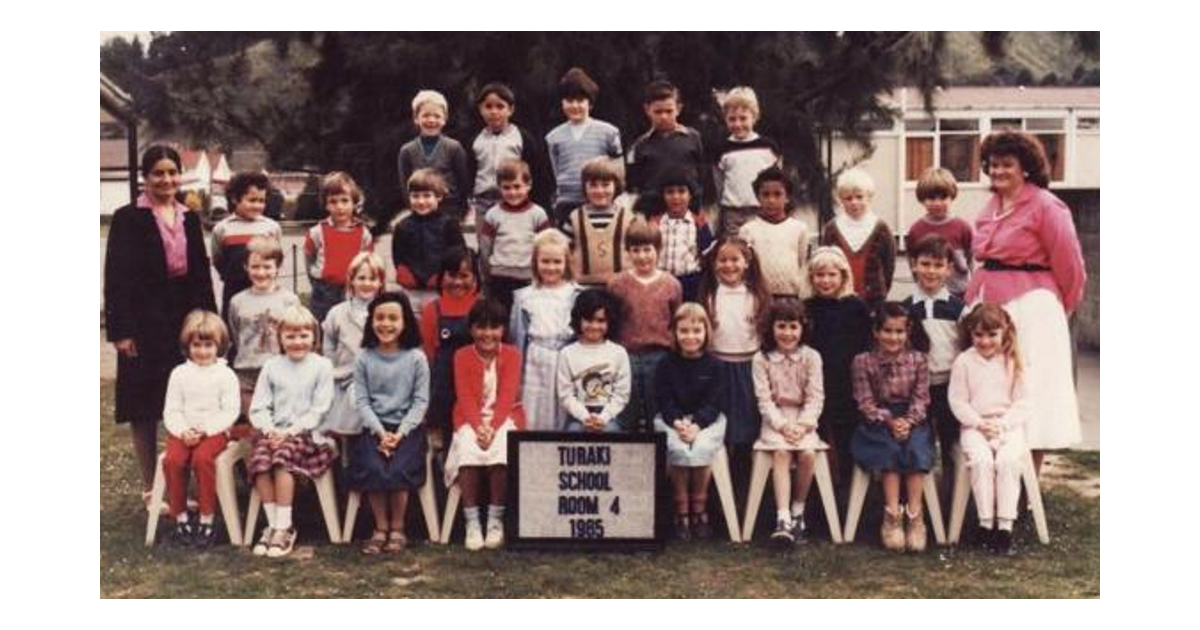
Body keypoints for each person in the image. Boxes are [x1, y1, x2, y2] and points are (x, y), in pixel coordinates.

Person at [965, 130, 1086, 474]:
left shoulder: (1047, 206)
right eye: (993, 164)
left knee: (1032, 389)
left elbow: (1071, 266)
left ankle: (1026, 481)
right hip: (990, 300)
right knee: (992, 388)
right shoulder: (992, 206)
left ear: (1026, 168)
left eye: (1007, 164)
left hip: (1032, 308)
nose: (998, 171)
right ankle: (992, 476)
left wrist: (1057, 309)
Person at [105, 145, 217, 509]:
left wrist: (208, 321)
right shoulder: (128, 218)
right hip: (142, 321)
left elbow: (200, 274)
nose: (166, 180)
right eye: (158, 173)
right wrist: (121, 331)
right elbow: (116, 277)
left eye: (172, 172)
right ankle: (151, 489)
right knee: (144, 406)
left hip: (182, 318)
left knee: (184, 399)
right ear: (145, 177)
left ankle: (181, 484)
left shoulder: (189, 217)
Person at [247, 306, 336, 558]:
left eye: (303, 335)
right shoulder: (272, 366)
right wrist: (270, 430)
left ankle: (285, 527)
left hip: (308, 434)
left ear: (314, 337)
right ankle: (273, 525)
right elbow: (259, 406)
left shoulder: (322, 366)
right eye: (290, 336)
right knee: (260, 461)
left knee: (280, 461)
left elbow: (320, 409)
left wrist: (290, 432)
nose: (297, 342)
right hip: (275, 432)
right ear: (280, 338)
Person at [349, 292, 430, 555]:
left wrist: (400, 434)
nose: (386, 324)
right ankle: (380, 527)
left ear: (405, 322)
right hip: (375, 427)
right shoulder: (364, 358)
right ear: (371, 321)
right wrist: (381, 433)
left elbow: (420, 402)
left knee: (397, 469)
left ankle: (398, 527)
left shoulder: (416, 358)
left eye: (393, 318)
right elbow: (362, 401)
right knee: (374, 467)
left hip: (408, 429)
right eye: (380, 317)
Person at [850, 302, 934, 552]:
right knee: (889, 449)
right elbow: (865, 402)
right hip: (876, 422)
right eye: (887, 330)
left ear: (908, 332)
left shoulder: (918, 360)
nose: (893, 337)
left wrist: (908, 421)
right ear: (876, 332)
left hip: (912, 419)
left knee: (916, 448)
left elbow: (921, 399)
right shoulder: (863, 361)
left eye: (899, 332)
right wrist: (888, 420)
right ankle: (892, 516)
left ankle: (915, 516)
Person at [949, 304, 1029, 556]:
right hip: (975, 426)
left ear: (1004, 332)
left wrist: (1002, 425)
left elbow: (1023, 403)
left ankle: (1004, 526)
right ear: (971, 333)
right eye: (978, 335)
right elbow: (958, 401)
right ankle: (985, 523)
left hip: (1008, 426)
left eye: (992, 335)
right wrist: (978, 423)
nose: (985, 341)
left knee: (1007, 462)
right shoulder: (964, 361)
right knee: (981, 461)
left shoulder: (1013, 361)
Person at [444, 300, 526, 550]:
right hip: (470, 417)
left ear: (503, 329)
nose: (487, 334)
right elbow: (465, 396)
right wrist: (479, 427)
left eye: (494, 327)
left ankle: (495, 519)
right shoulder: (461, 356)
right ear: (471, 329)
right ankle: (471, 521)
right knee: (468, 448)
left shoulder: (512, 354)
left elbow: (508, 395)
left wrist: (493, 427)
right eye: (481, 327)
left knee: (502, 448)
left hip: (505, 416)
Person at [697, 237, 771, 504]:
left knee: (747, 427)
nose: (729, 265)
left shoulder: (757, 296)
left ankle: (744, 484)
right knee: (720, 426)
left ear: (747, 262)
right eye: (722, 260)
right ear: (714, 263)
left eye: (734, 259)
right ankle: (716, 486)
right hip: (718, 367)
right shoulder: (709, 295)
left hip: (748, 368)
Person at [161, 310, 240, 548]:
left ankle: (207, 517)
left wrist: (206, 430)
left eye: (208, 345)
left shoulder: (226, 375)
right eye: (197, 345)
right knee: (173, 461)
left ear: (219, 346)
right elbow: (172, 409)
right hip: (183, 431)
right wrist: (183, 431)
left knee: (203, 459)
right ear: (188, 345)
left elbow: (230, 411)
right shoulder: (179, 374)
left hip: (213, 432)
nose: (202, 351)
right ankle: (180, 516)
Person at [751, 300, 824, 546]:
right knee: (781, 452)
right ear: (771, 328)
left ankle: (798, 512)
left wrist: (802, 425)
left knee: (807, 453)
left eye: (793, 327)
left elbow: (815, 397)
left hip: (804, 419)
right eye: (781, 326)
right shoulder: (761, 358)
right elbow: (764, 400)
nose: (787, 333)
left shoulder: (812, 357)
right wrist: (782, 426)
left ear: (802, 328)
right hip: (775, 419)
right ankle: (782, 519)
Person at [654, 303, 727, 540]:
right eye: (684, 331)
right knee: (678, 448)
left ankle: (699, 507)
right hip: (673, 420)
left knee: (702, 448)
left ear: (706, 332)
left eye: (697, 331)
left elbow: (714, 402)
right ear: (674, 332)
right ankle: (681, 508)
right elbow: (664, 400)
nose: (690, 337)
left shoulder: (715, 365)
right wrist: (678, 423)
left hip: (706, 421)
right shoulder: (665, 364)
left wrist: (696, 425)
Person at [901, 234, 967, 493]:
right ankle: (915, 495)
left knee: (951, 441)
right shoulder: (905, 309)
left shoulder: (959, 309)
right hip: (916, 389)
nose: (931, 271)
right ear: (914, 265)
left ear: (948, 268)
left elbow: (966, 346)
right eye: (925, 264)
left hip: (950, 386)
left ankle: (950, 493)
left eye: (938, 265)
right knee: (919, 440)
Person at [803, 247, 873, 481]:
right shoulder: (807, 308)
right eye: (819, 275)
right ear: (811, 277)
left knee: (846, 432)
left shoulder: (856, 307)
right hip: (815, 381)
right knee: (819, 430)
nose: (825, 281)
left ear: (843, 276)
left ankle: (848, 479)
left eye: (832, 275)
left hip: (847, 379)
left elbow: (866, 345)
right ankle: (819, 481)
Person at [607, 221, 683, 432]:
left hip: (660, 355)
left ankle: (657, 448)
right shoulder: (617, 284)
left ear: (658, 250)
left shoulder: (671, 284)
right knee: (627, 409)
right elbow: (612, 322)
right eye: (636, 250)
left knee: (656, 409)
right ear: (628, 252)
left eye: (647, 249)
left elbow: (676, 322)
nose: (642, 256)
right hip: (626, 355)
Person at [510, 229, 581, 431]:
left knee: (563, 411)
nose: (551, 267)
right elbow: (516, 336)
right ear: (535, 262)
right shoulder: (524, 297)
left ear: (566, 262)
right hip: (535, 360)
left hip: (565, 359)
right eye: (545, 261)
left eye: (557, 262)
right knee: (533, 411)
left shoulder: (575, 294)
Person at [228, 236, 301, 421]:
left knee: (280, 423)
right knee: (255, 425)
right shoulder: (237, 301)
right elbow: (236, 334)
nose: (261, 272)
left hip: (280, 372)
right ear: (246, 267)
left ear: (278, 267)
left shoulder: (289, 300)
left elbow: (296, 334)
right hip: (247, 376)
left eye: (267, 267)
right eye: (255, 267)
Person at [419, 250, 481, 451]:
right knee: (446, 445)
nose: (457, 282)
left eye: (464, 276)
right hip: (444, 391)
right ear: (442, 276)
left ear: (475, 277)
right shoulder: (432, 310)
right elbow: (429, 353)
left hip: (476, 389)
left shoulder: (482, 308)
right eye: (452, 275)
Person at [545, 67, 623, 228]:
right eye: (569, 101)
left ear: (590, 103)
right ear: (562, 103)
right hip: (566, 203)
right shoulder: (553, 137)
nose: (575, 106)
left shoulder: (609, 132)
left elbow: (618, 170)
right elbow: (555, 170)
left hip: (600, 201)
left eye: (580, 101)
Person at [320, 252, 387, 437]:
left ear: (381, 282)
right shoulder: (337, 313)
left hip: (377, 382)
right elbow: (329, 345)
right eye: (361, 278)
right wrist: (333, 370)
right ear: (351, 280)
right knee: (343, 424)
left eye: (372, 279)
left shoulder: (386, 313)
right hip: (344, 379)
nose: (367, 283)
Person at [626, 79, 711, 217]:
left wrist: (701, 206)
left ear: (679, 109)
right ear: (647, 110)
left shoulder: (693, 138)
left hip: (689, 211)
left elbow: (702, 175)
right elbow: (636, 183)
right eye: (658, 112)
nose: (664, 116)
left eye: (669, 111)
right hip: (654, 213)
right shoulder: (641, 145)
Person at [392, 168, 468, 317]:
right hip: (412, 288)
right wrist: (404, 271)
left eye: (427, 196)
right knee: (412, 321)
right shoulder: (402, 226)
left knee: (438, 320)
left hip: (439, 287)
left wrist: (444, 274)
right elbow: (398, 255)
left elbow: (458, 253)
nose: (421, 201)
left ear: (439, 196)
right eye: (415, 196)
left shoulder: (449, 224)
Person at [478, 159, 551, 313]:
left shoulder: (538, 214)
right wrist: (487, 274)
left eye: (517, 186)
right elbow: (485, 247)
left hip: (528, 278)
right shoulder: (493, 214)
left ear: (528, 185)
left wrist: (542, 274)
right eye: (506, 187)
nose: (512, 192)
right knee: (501, 316)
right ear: (499, 187)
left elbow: (546, 248)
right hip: (500, 277)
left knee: (526, 316)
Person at [467, 82, 551, 215]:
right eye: (488, 107)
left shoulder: (522, 138)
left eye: (500, 106)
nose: (494, 112)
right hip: (483, 201)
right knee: (484, 229)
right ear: (480, 109)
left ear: (510, 110)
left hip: (514, 198)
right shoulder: (476, 140)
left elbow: (536, 171)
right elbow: (470, 172)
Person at [556, 288, 631, 433]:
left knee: (611, 431)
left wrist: (604, 417)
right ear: (578, 320)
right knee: (573, 431)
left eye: (601, 320)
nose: (594, 326)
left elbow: (622, 395)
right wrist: (585, 417)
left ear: (610, 322)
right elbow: (565, 395)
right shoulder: (567, 353)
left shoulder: (619, 353)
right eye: (589, 320)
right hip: (578, 416)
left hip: (610, 416)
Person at [210, 171, 282, 319]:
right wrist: (230, 275)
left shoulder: (271, 228)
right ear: (235, 198)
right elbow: (217, 259)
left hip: (264, 288)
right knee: (232, 324)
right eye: (252, 200)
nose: (257, 205)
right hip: (233, 289)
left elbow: (276, 258)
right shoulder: (222, 228)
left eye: (261, 201)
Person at [821, 168, 895, 313]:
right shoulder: (831, 229)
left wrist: (879, 292)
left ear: (869, 197)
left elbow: (888, 266)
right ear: (840, 200)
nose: (854, 202)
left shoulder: (882, 229)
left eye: (859, 197)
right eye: (848, 198)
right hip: (838, 301)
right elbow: (825, 264)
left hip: (873, 303)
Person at [303, 171, 373, 323]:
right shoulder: (317, 232)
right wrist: (317, 282)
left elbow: (368, 263)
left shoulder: (364, 233)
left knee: (351, 327)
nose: (339, 207)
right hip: (324, 292)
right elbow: (309, 259)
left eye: (345, 201)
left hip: (353, 290)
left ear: (354, 202)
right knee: (322, 327)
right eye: (333, 202)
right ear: (326, 204)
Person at [713, 86, 782, 238]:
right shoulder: (723, 149)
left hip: (762, 210)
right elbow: (719, 183)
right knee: (735, 248)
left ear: (754, 117)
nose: (738, 124)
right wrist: (721, 210)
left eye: (743, 118)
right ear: (725, 119)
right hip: (733, 213)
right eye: (732, 119)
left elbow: (778, 181)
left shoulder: (768, 147)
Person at [562, 157, 640, 288]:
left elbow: (639, 249)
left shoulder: (629, 219)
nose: (599, 190)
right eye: (593, 185)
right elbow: (562, 249)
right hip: (582, 286)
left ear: (616, 186)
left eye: (605, 185)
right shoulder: (574, 217)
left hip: (621, 286)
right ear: (584, 187)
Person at [738, 166, 810, 300]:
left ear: (787, 197)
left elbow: (802, 262)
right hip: (758, 297)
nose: (771, 200)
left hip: (790, 296)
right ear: (758, 197)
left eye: (777, 194)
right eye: (765, 195)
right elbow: (745, 267)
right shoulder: (748, 230)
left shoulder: (799, 229)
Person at [398, 89, 471, 221]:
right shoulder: (407, 151)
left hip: (450, 210)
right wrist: (413, 209)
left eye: (437, 116)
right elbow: (405, 186)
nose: (431, 120)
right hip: (420, 209)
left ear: (444, 119)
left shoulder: (454, 148)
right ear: (416, 118)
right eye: (426, 116)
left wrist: (461, 211)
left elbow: (463, 182)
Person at [647, 167, 714, 303]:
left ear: (691, 195)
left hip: (691, 282)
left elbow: (708, 254)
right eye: (670, 192)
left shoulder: (699, 222)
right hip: (661, 280)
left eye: (681, 191)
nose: (676, 197)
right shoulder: (655, 222)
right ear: (662, 195)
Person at [904, 167, 973, 299]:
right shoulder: (916, 230)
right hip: (927, 293)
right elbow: (912, 262)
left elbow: (970, 259)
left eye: (943, 197)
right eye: (931, 198)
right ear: (922, 199)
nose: (937, 203)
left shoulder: (963, 227)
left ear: (952, 196)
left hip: (959, 292)